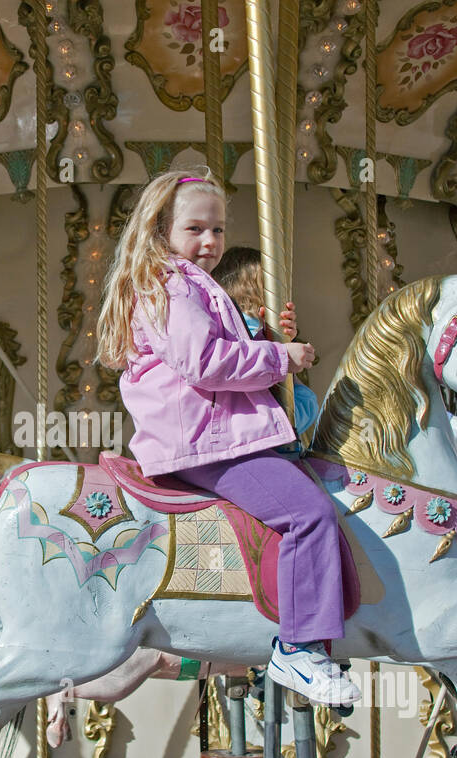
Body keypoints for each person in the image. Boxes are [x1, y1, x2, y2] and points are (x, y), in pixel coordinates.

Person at [93, 169, 359, 707]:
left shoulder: (185, 283)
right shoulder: (170, 284)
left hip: (205, 435)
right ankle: (301, 648)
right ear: (161, 228)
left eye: (217, 230)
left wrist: (261, 334)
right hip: (203, 440)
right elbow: (204, 361)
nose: (210, 242)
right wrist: (281, 357)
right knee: (309, 514)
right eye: (195, 229)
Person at [211, 246, 320, 437]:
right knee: (307, 400)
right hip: (263, 419)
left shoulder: (230, 324)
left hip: (253, 417)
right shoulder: (248, 326)